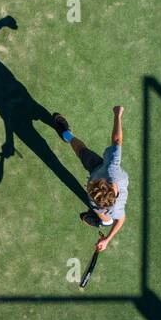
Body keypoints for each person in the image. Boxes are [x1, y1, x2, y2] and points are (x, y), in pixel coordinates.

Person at [52, 105, 128, 252]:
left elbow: (121, 220)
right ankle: (66, 134)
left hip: (102, 201)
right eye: (92, 187)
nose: (89, 186)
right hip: (98, 167)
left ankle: (100, 221)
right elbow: (117, 140)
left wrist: (107, 240)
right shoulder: (112, 168)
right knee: (81, 150)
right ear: (105, 183)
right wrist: (117, 115)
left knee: (106, 218)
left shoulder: (106, 206)